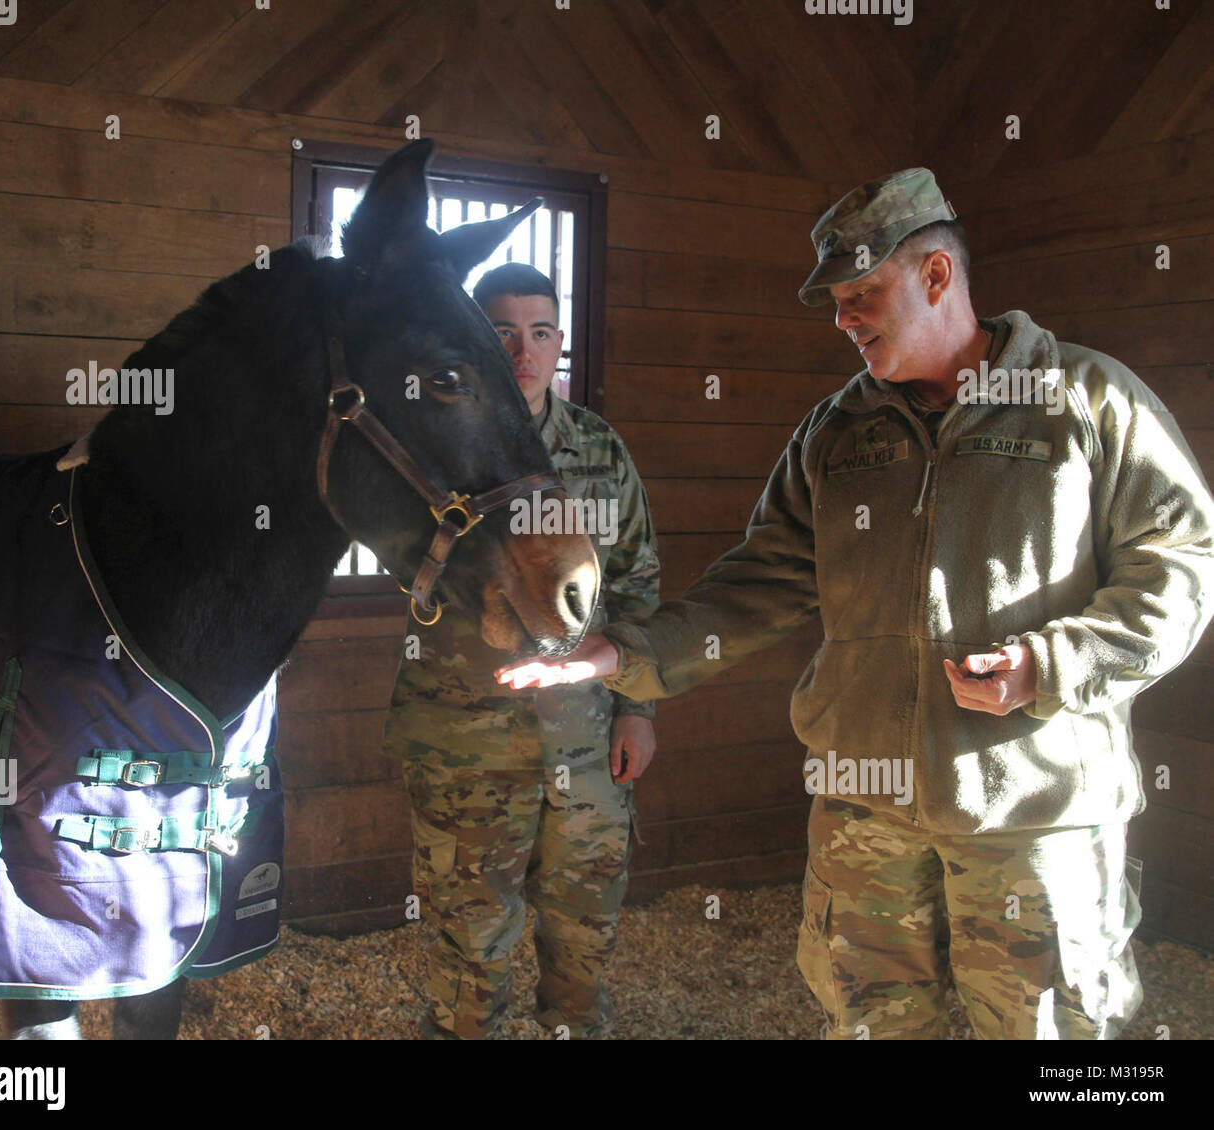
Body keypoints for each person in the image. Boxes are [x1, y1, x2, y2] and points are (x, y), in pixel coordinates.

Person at [497, 169, 1214, 1040]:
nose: (844, 319)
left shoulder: (1088, 401)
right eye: (836, 302)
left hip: (1034, 815)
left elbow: (1183, 565)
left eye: (862, 294)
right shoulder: (838, 433)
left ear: (937, 275)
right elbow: (761, 582)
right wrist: (625, 652)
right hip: (864, 812)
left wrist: (1051, 665)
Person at [383, 262, 661, 1039]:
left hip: (586, 740)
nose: (522, 351)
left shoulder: (599, 451)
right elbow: (396, 557)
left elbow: (636, 581)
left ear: (560, 342)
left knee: (584, 935)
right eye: (502, 332)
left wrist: (638, 710)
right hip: (464, 741)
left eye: (539, 333)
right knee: (469, 944)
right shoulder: (433, 443)